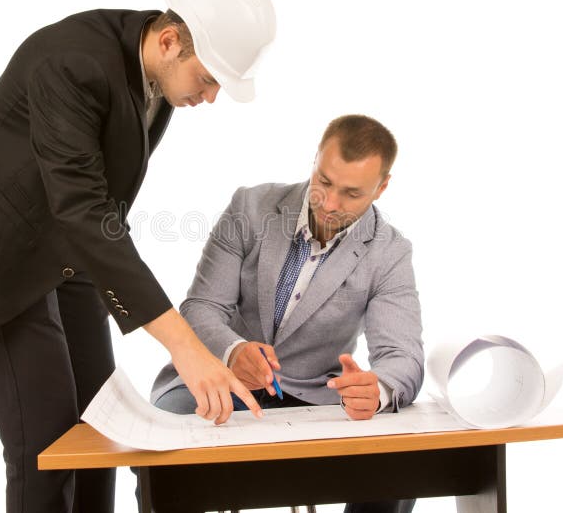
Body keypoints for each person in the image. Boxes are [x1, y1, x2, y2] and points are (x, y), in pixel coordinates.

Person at [0, 0, 276, 513]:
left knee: (101, 425)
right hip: (0, 257)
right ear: (171, 41)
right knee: (49, 445)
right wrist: (187, 349)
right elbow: (84, 207)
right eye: (209, 78)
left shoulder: (153, 70)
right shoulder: (73, 62)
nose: (212, 96)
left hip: (67, 252)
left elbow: (95, 209)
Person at [150, 115, 424, 513]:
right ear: (315, 159)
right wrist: (233, 350)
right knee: (166, 452)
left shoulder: (389, 252)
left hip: (315, 397)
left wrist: (377, 391)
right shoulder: (250, 207)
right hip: (221, 384)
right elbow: (201, 307)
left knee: (402, 463)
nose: (329, 204)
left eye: (351, 193)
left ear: (381, 187)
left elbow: (404, 357)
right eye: (324, 182)